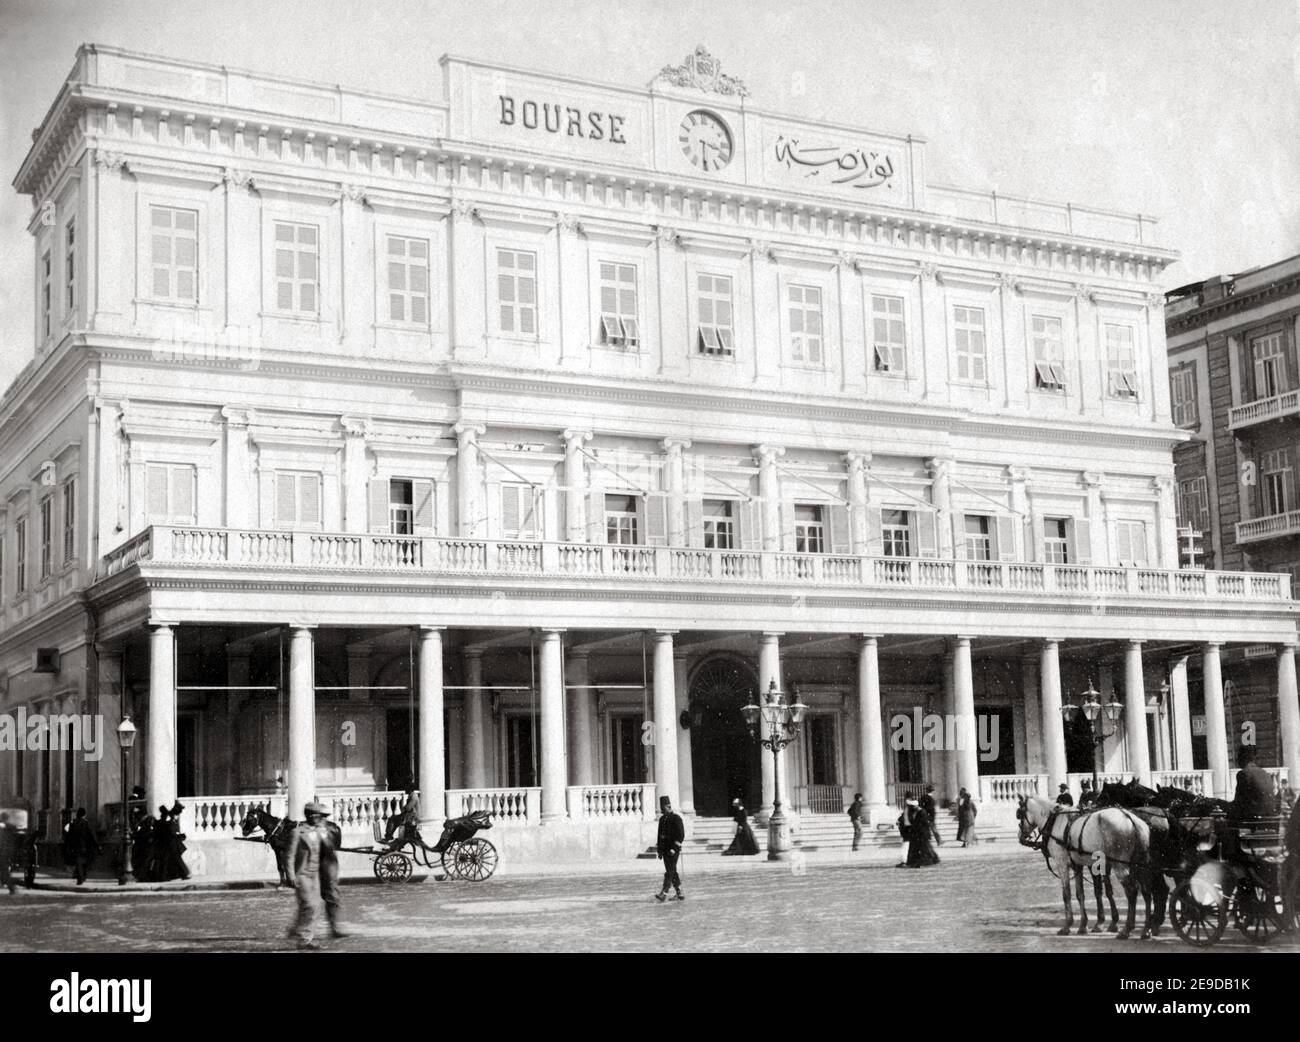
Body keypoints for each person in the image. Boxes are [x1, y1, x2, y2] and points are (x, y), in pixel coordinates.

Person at [286, 801, 347, 949]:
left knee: (314, 906)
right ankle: (304, 939)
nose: (318, 818)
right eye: (315, 815)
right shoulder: (297, 832)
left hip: (315, 875)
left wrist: (324, 833)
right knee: (311, 905)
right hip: (303, 874)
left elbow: (330, 848)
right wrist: (290, 875)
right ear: (308, 816)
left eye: (319, 816)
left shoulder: (320, 831)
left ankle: (300, 933)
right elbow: (289, 856)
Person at [654, 796, 685, 901]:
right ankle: (679, 892)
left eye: (663, 808)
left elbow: (681, 835)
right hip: (665, 850)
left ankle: (664, 892)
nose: (662, 811)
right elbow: (660, 836)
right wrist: (659, 851)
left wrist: (674, 848)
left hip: (673, 850)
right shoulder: (662, 819)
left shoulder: (676, 818)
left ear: (667, 807)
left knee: (669, 871)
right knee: (672, 870)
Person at [1229, 756, 1275, 825]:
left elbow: (1239, 799)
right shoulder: (1265, 773)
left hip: (1253, 812)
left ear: (1242, 760)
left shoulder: (1243, 773)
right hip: (1268, 811)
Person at [63, 808, 98, 885]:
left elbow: (69, 835)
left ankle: (80, 878)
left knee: (78, 862)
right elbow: (91, 835)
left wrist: (69, 846)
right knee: (84, 863)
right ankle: (82, 877)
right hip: (85, 847)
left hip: (75, 847)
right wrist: (95, 844)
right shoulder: (86, 823)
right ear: (84, 815)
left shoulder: (73, 823)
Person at [904, 799, 940, 868]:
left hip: (922, 833)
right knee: (923, 848)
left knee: (924, 848)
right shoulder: (915, 812)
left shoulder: (922, 812)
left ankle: (926, 861)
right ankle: (927, 860)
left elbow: (923, 824)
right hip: (917, 833)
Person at [161, 801, 190, 881]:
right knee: (175, 860)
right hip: (171, 844)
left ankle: (167, 876)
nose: (178, 817)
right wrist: (180, 836)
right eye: (177, 815)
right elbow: (172, 833)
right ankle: (184, 874)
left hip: (171, 844)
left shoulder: (171, 820)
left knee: (169, 860)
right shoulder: (170, 821)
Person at [0, 812, 16, 895]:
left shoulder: (3, 827)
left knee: (4, 870)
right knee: (5, 871)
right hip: (7, 851)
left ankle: (11, 887)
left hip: (3, 851)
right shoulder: (11, 827)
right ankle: (11, 888)